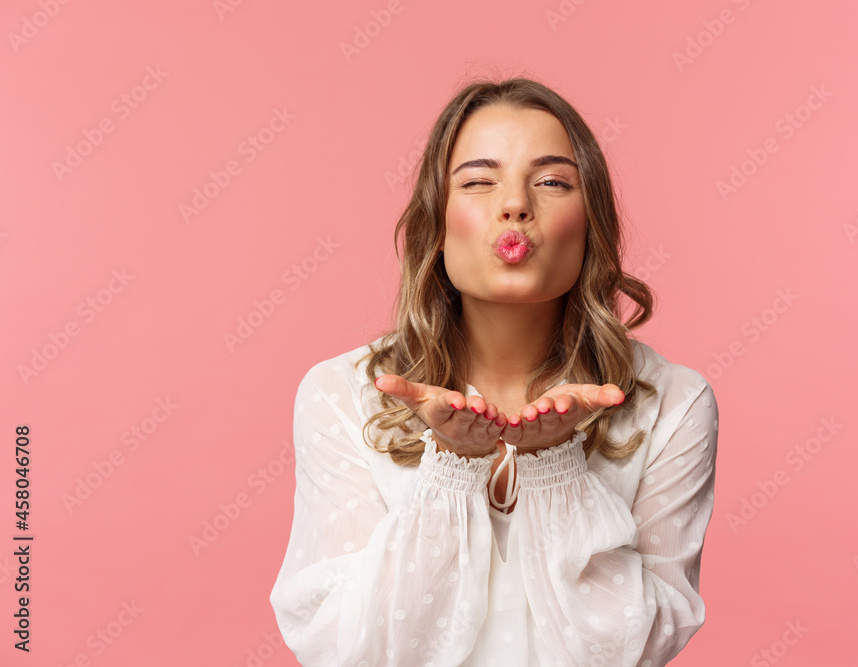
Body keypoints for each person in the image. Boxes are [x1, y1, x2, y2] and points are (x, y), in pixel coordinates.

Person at [269, 75, 720, 667]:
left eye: (553, 182)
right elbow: (347, 649)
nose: (515, 204)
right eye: (479, 182)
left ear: (592, 224)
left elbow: (636, 651)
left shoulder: (675, 404)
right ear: (437, 221)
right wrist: (450, 469)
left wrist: (554, 467)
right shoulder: (339, 396)